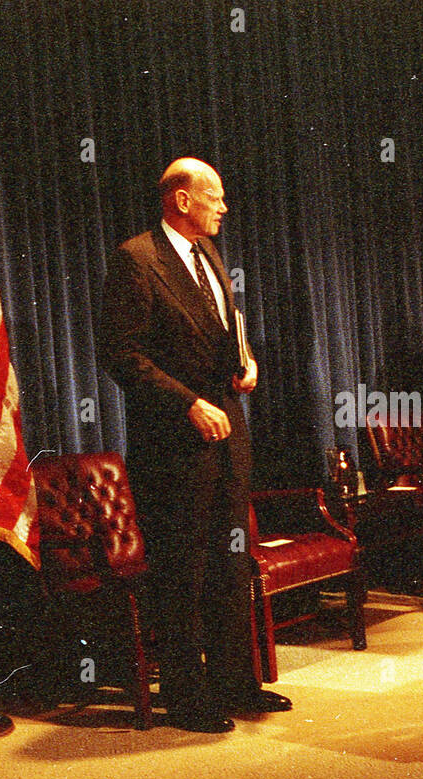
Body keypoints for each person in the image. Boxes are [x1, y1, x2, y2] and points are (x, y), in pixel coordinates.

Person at [98, 157, 290, 733]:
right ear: (182, 200)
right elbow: (122, 356)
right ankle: (186, 695)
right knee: (183, 569)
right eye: (216, 197)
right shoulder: (136, 259)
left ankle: (236, 682)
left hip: (229, 430)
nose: (225, 207)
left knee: (230, 561)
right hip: (175, 441)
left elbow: (222, 322)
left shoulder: (209, 253)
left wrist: (245, 360)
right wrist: (186, 402)